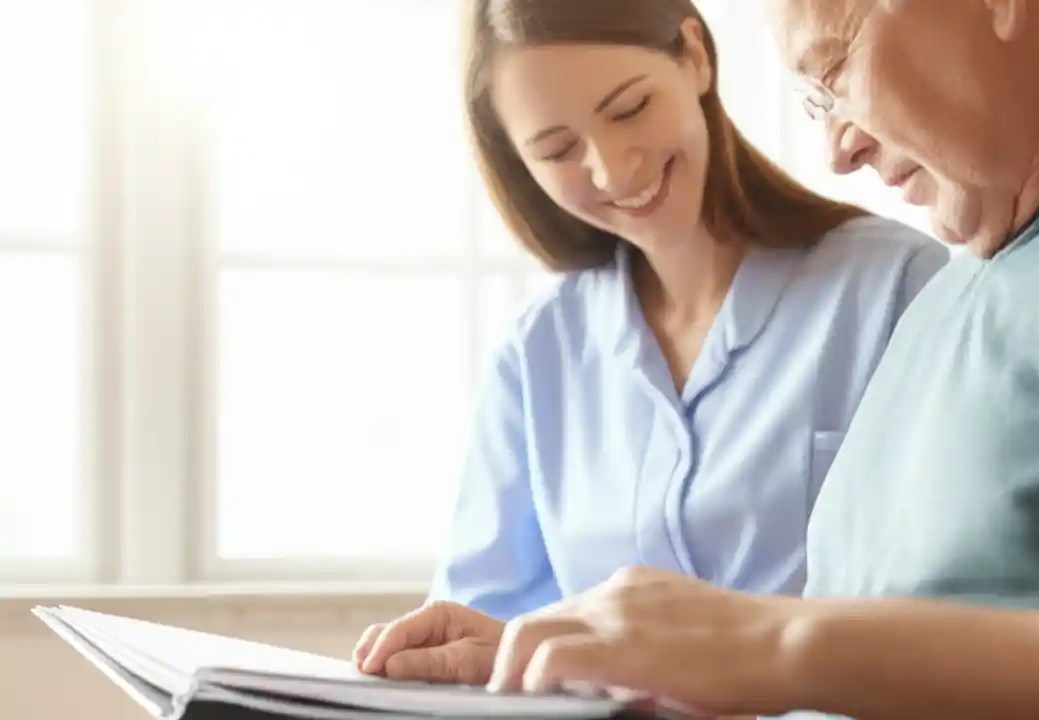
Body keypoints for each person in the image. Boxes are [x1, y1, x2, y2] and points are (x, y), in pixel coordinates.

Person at [468, 1, 1039, 718]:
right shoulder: (943, 307)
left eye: (832, 71)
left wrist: (774, 644)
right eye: (812, 105)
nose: (838, 151)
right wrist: (557, 663)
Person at [352, 0, 945, 685]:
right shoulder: (539, 351)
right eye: (558, 149)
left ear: (693, 55)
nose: (613, 169)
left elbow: (952, 619)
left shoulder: (896, 290)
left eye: (629, 109)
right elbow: (486, 632)